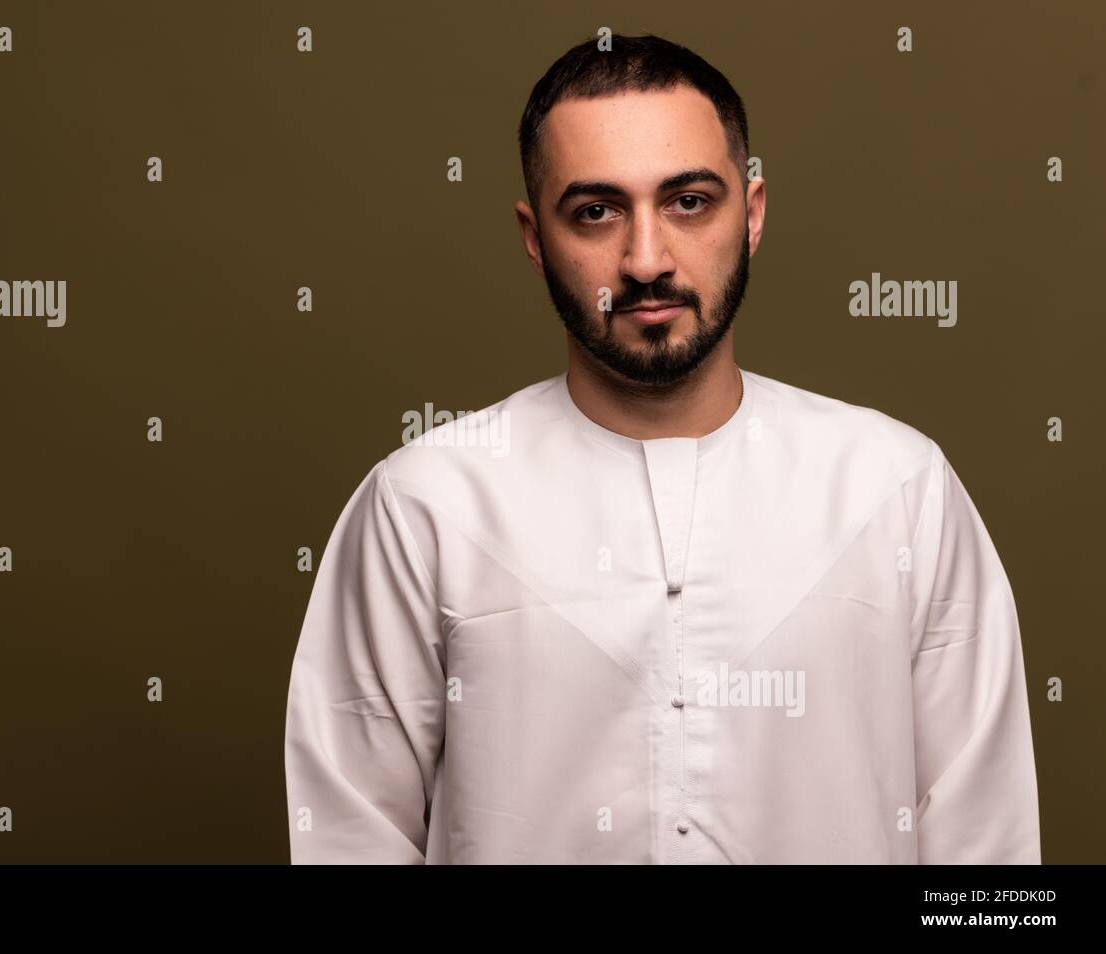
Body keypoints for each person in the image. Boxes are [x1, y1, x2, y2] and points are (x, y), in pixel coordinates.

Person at [283, 33, 1040, 864]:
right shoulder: (424, 506)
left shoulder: (897, 491)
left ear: (750, 216)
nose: (645, 261)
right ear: (536, 238)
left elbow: (987, 854)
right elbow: (350, 836)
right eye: (597, 212)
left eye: (688, 201)